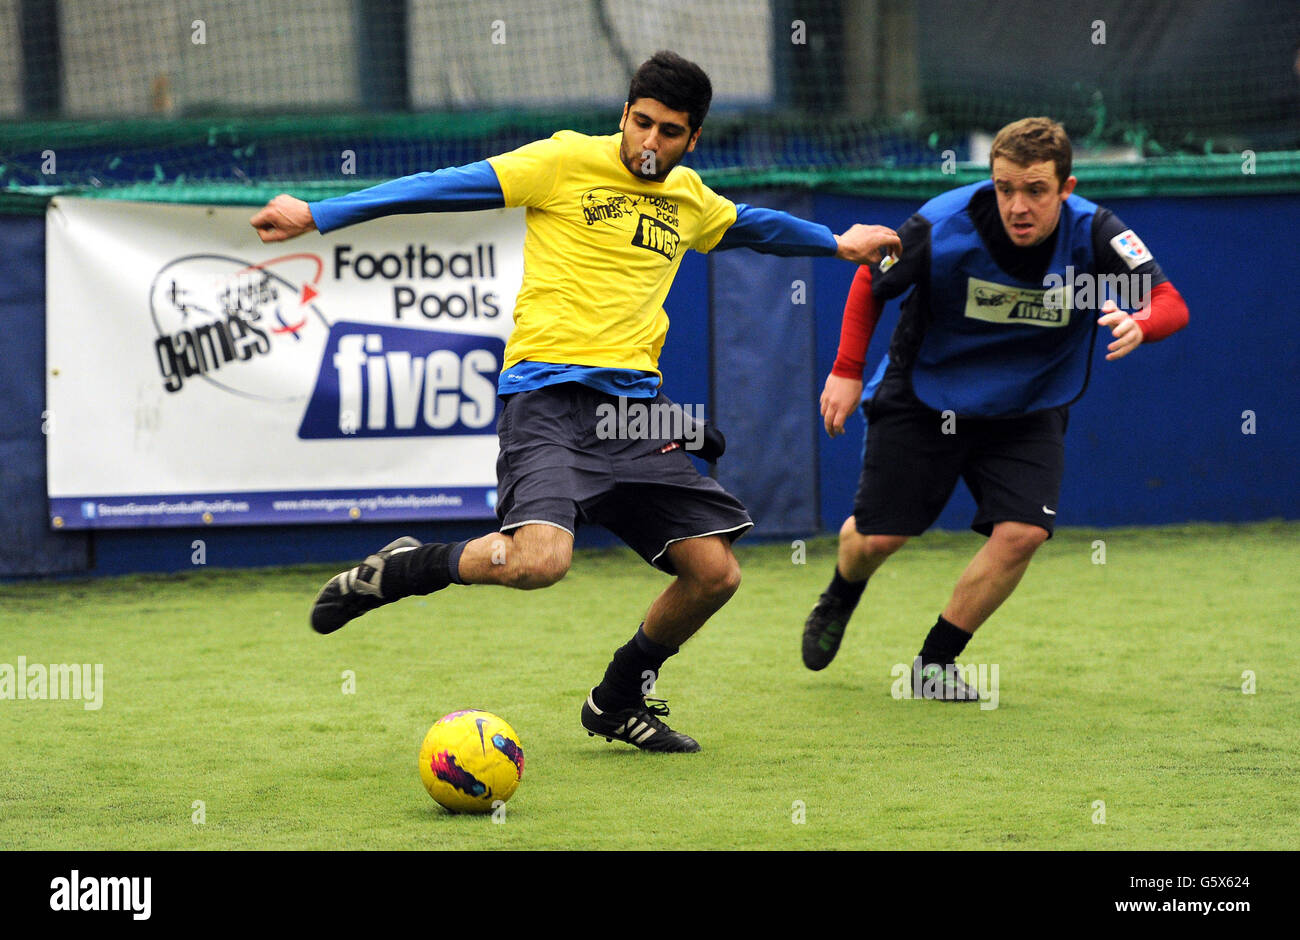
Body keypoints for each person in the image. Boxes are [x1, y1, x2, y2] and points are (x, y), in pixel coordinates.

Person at [251, 51, 900, 751]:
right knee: (539, 562)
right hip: (548, 400)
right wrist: (320, 212)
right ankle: (403, 569)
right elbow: (443, 186)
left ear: (693, 139)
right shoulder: (562, 162)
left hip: (631, 415)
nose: (651, 143)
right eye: (641, 123)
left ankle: (616, 700)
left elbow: (749, 225)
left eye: (670, 132)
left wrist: (836, 245)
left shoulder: (688, 200)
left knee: (715, 574)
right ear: (623, 114)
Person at [802, 117, 1188, 700]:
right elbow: (869, 281)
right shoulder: (944, 223)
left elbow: (1170, 302)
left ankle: (934, 666)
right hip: (926, 393)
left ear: (1067, 188)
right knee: (879, 539)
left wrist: (1142, 323)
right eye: (1005, 188)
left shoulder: (1096, 232)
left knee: (1024, 532)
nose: (1018, 205)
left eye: (1035, 190)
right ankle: (840, 593)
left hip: (1028, 406)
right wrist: (847, 371)